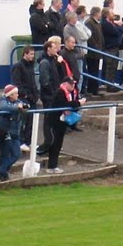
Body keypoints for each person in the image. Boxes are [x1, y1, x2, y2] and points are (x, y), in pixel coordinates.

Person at [37, 35, 81, 174]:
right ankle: (45, 155)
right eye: (55, 46)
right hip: (52, 109)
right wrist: (78, 102)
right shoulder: (46, 63)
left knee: (58, 139)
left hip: (58, 112)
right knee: (53, 138)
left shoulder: (54, 61)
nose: (58, 48)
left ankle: (52, 164)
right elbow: (45, 81)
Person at [0, 86, 27, 180]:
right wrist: (17, 108)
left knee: (16, 154)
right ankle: (3, 175)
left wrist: (23, 108)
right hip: (3, 131)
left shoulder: (18, 102)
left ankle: (2, 170)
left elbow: (23, 107)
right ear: (10, 94)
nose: (18, 95)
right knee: (4, 154)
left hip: (15, 132)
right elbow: (4, 107)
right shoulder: (2, 100)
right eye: (16, 93)